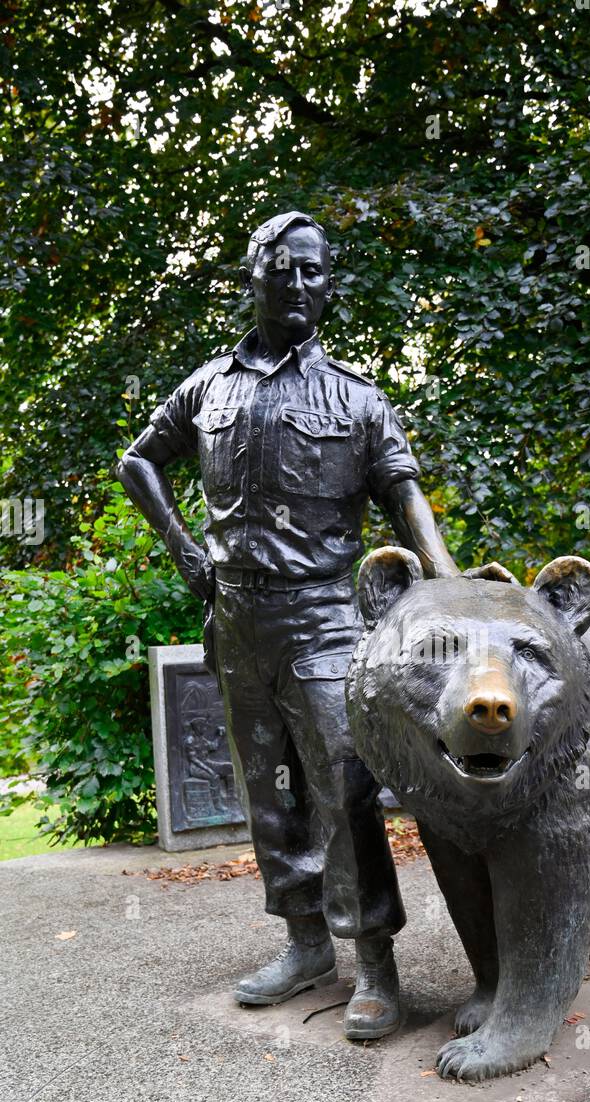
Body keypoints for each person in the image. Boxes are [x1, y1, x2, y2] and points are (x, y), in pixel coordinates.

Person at [117, 210, 458, 1040]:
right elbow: (137, 461)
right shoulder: (208, 386)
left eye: (313, 271)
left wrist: (445, 580)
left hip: (321, 618)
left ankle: (374, 963)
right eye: (283, 269)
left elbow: (402, 489)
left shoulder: (356, 396)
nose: (299, 284)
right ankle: (306, 943)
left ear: (327, 282)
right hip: (235, 618)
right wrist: (185, 553)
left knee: (343, 791)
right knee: (267, 792)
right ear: (253, 275)